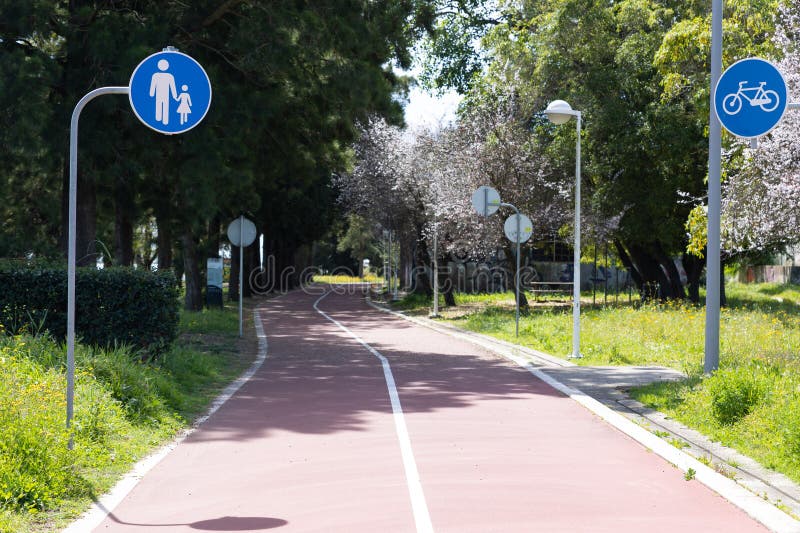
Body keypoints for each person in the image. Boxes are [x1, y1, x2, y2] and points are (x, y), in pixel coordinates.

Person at [149, 59, 177, 125]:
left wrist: (151, 93)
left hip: (160, 94)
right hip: (165, 94)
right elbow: (173, 87)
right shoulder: (169, 76)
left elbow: (153, 85)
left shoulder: (155, 75)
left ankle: (158, 118)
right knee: (165, 106)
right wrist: (175, 95)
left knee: (159, 104)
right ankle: (165, 120)